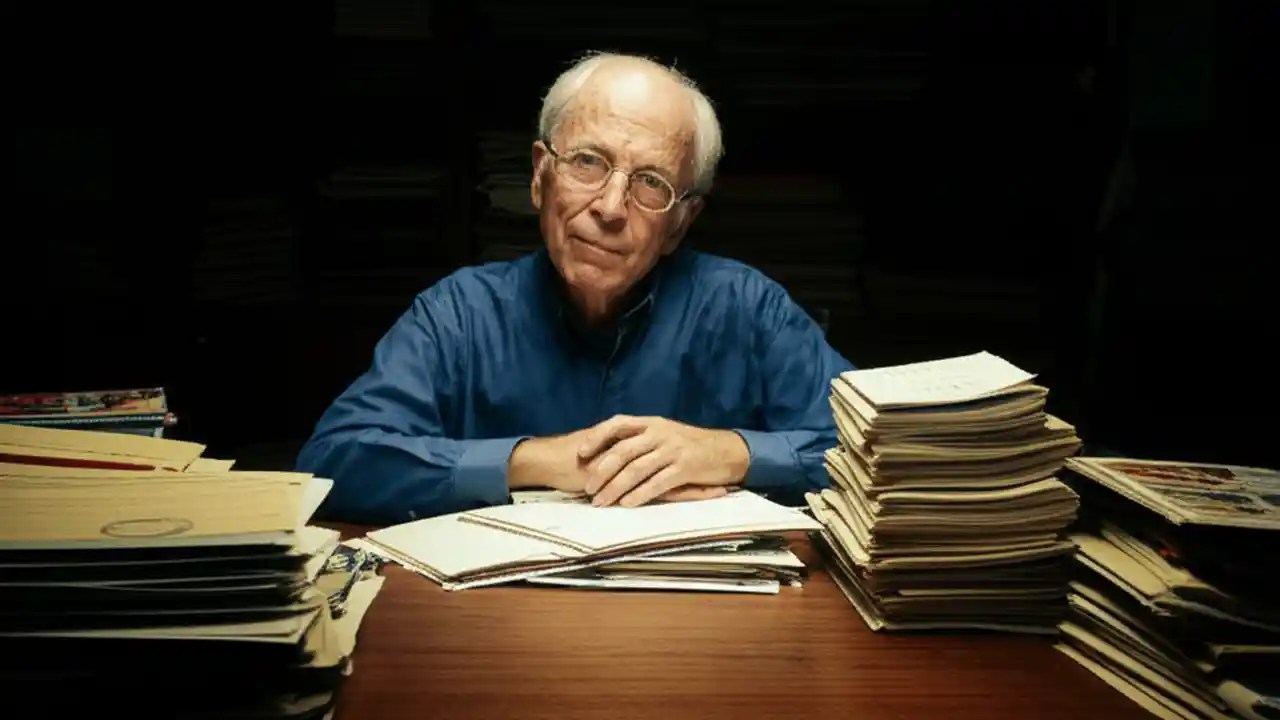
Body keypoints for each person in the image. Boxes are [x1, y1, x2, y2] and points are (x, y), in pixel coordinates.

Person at [296, 51, 855, 524]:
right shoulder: (458, 314)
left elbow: (881, 450)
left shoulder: (747, 308)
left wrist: (732, 452)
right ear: (540, 177)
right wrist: (537, 462)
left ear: (680, 223)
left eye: (651, 184)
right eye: (588, 163)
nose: (611, 208)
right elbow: (330, 462)